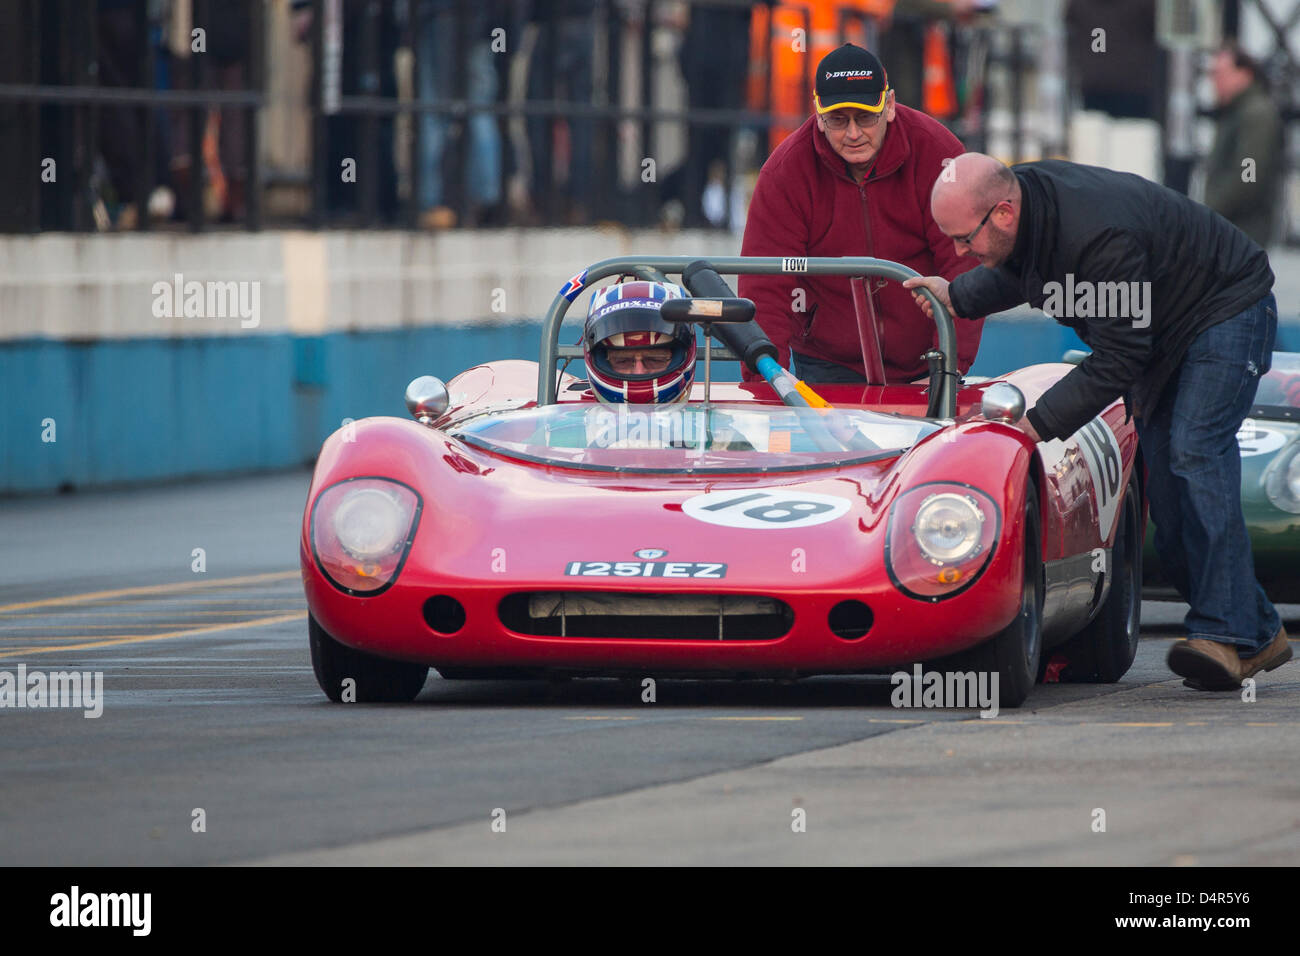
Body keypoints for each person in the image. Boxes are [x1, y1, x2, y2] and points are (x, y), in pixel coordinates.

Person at [903, 152, 1292, 690]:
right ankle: (1258, 629)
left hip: (1225, 308)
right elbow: (1025, 272)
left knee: (1194, 453)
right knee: (1170, 494)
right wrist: (958, 295)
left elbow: (1119, 359)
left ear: (1004, 214)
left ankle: (1225, 634)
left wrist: (1038, 424)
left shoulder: (1099, 235)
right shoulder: (1029, 203)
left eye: (964, 241)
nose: (958, 251)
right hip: (1164, 328)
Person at [738, 43, 984, 385]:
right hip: (827, 363)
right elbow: (766, 286)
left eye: (866, 117)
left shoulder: (938, 154)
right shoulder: (785, 172)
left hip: (927, 365)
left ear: (891, 106)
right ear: (818, 115)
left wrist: (947, 367)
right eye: (838, 120)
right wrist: (763, 382)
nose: (853, 134)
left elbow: (964, 265)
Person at [1204, 42, 1283, 248]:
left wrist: (1208, 211)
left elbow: (1249, 177)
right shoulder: (1238, 113)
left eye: (1220, 73)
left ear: (1244, 74)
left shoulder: (1256, 115)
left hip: (1242, 232)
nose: (1214, 81)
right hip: (1233, 230)